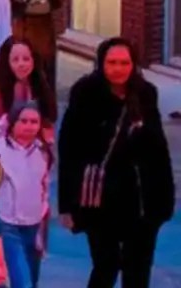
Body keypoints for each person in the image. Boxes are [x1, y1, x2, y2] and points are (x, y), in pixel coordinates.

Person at [58, 37, 175, 288]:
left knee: (138, 270)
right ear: (101, 63)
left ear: (134, 65)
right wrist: (66, 204)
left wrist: (166, 198)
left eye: (124, 62)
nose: (118, 68)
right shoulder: (85, 93)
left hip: (141, 198)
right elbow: (69, 149)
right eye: (112, 62)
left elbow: (158, 149)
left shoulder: (145, 94)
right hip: (99, 197)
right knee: (106, 265)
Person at [0, 101, 53, 288]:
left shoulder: (43, 150)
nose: (29, 126)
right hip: (9, 223)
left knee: (32, 278)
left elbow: (44, 187)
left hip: (35, 224)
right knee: (20, 280)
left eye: (34, 122)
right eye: (23, 121)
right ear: (13, 123)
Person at [0, 36, 57, 164]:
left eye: (26, 59)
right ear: (6, 63)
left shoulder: (39, 91)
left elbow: (48, 124)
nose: (21, 64)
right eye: (15, 60)